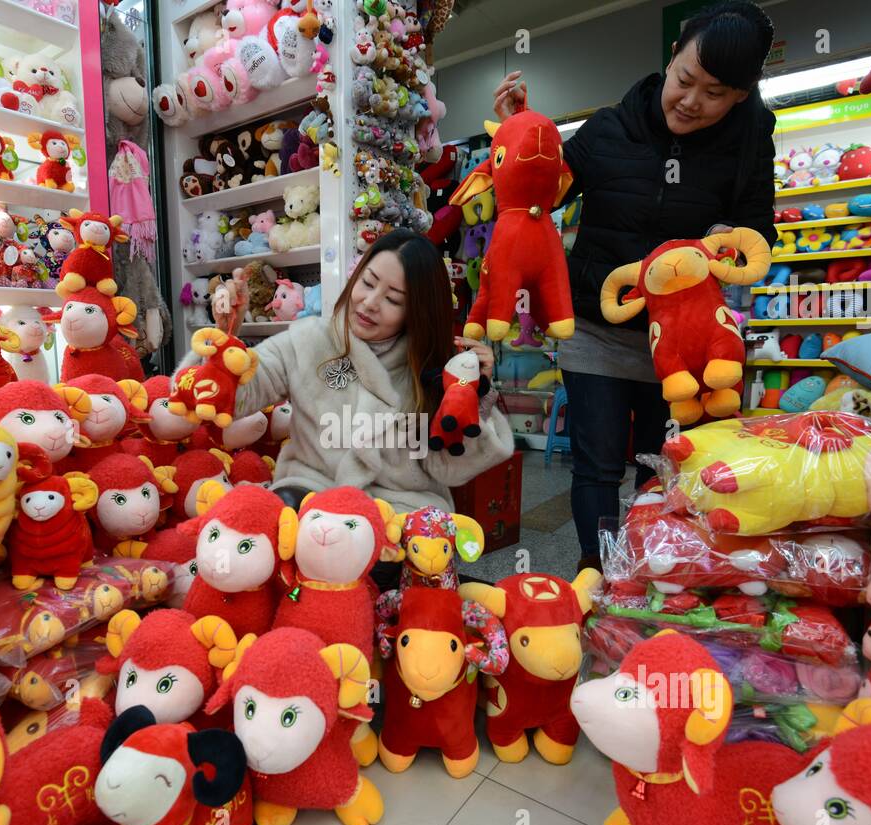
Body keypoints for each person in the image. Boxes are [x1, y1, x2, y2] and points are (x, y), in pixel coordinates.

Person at [493, 0, 777, 573]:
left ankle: (655, 574)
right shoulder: (609, 127)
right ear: (671, 59)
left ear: (741, 96)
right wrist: (521, 135)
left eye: (715, 93)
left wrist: (732, 237)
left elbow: (758, 229)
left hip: (683, 337)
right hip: (599, 324)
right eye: (685, 80)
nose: (692, 101)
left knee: (669, 464)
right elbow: (542, 193)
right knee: (596, 465)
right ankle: (595, 574)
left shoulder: (747, 146)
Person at [180, 228, 514, 519]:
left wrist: (473, 399)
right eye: (367, 283)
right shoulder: (308, 339)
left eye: (393, 299)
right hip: (311, 496)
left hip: (399, 510)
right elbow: (234, 400)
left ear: (417, 312)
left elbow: (448, 469)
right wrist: (223, 346)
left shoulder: (430, 369)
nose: (369, 302)